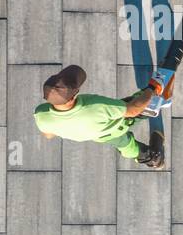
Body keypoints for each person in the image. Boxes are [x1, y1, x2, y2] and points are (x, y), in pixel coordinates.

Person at [33, 65, 164, 168]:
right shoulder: (95, 106)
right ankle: (160, 100)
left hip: (99, 136)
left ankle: (152, 160)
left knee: (126, 145)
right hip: (118, 124)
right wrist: (152, 88)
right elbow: (132, 110)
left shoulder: (41, 115)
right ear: (73, 97)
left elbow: (48, 135)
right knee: (139, 102)